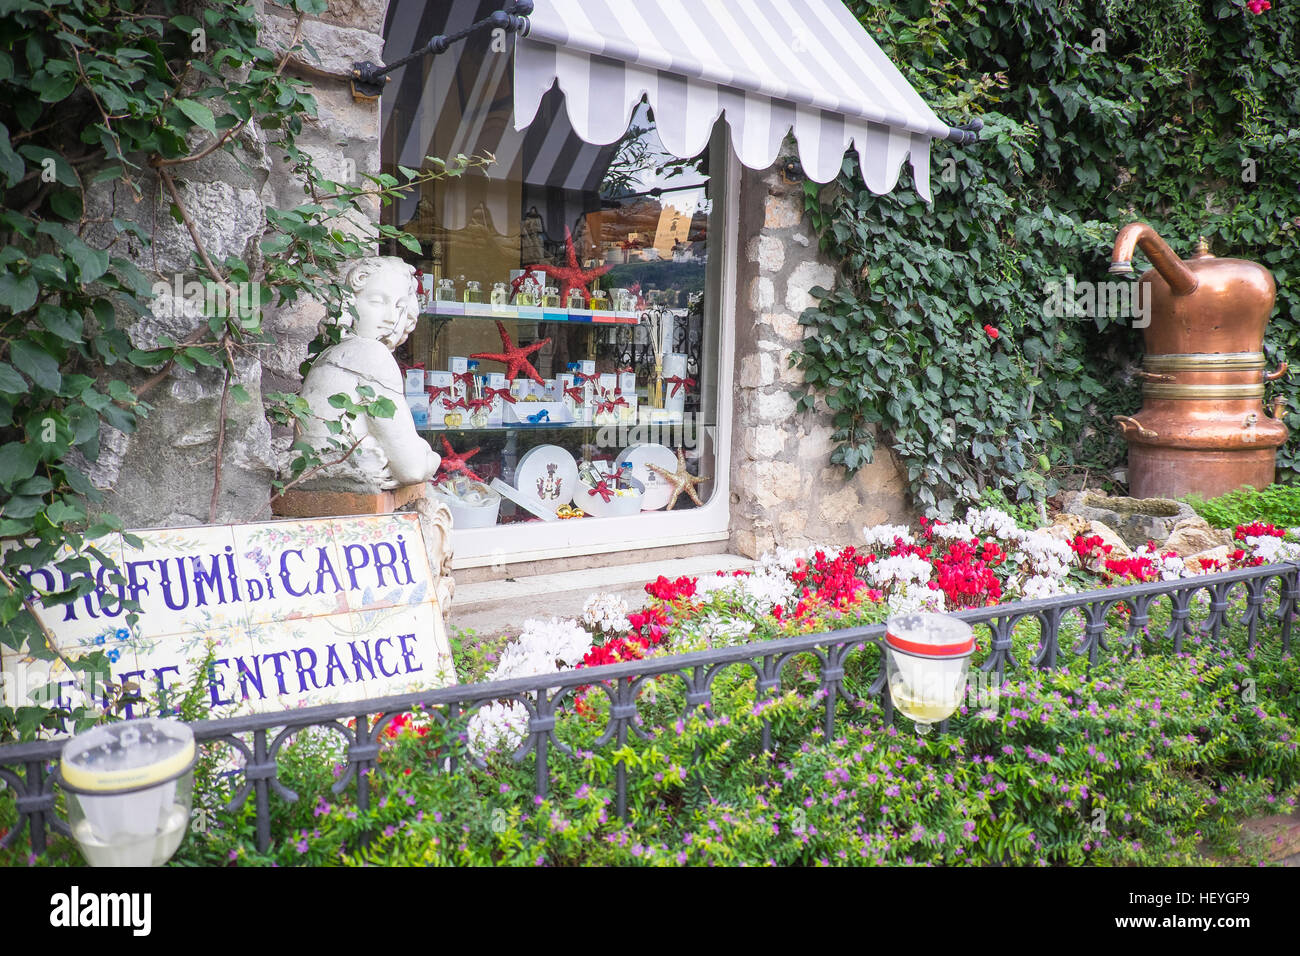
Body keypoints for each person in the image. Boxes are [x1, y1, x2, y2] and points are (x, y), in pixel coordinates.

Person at [298, 256, 439, 489]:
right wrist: (433, 458)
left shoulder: (332, 354)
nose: (391, 318)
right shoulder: (369, 354)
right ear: (349, 303)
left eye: (400, 307)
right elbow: (412, 469)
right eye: (377, 301)